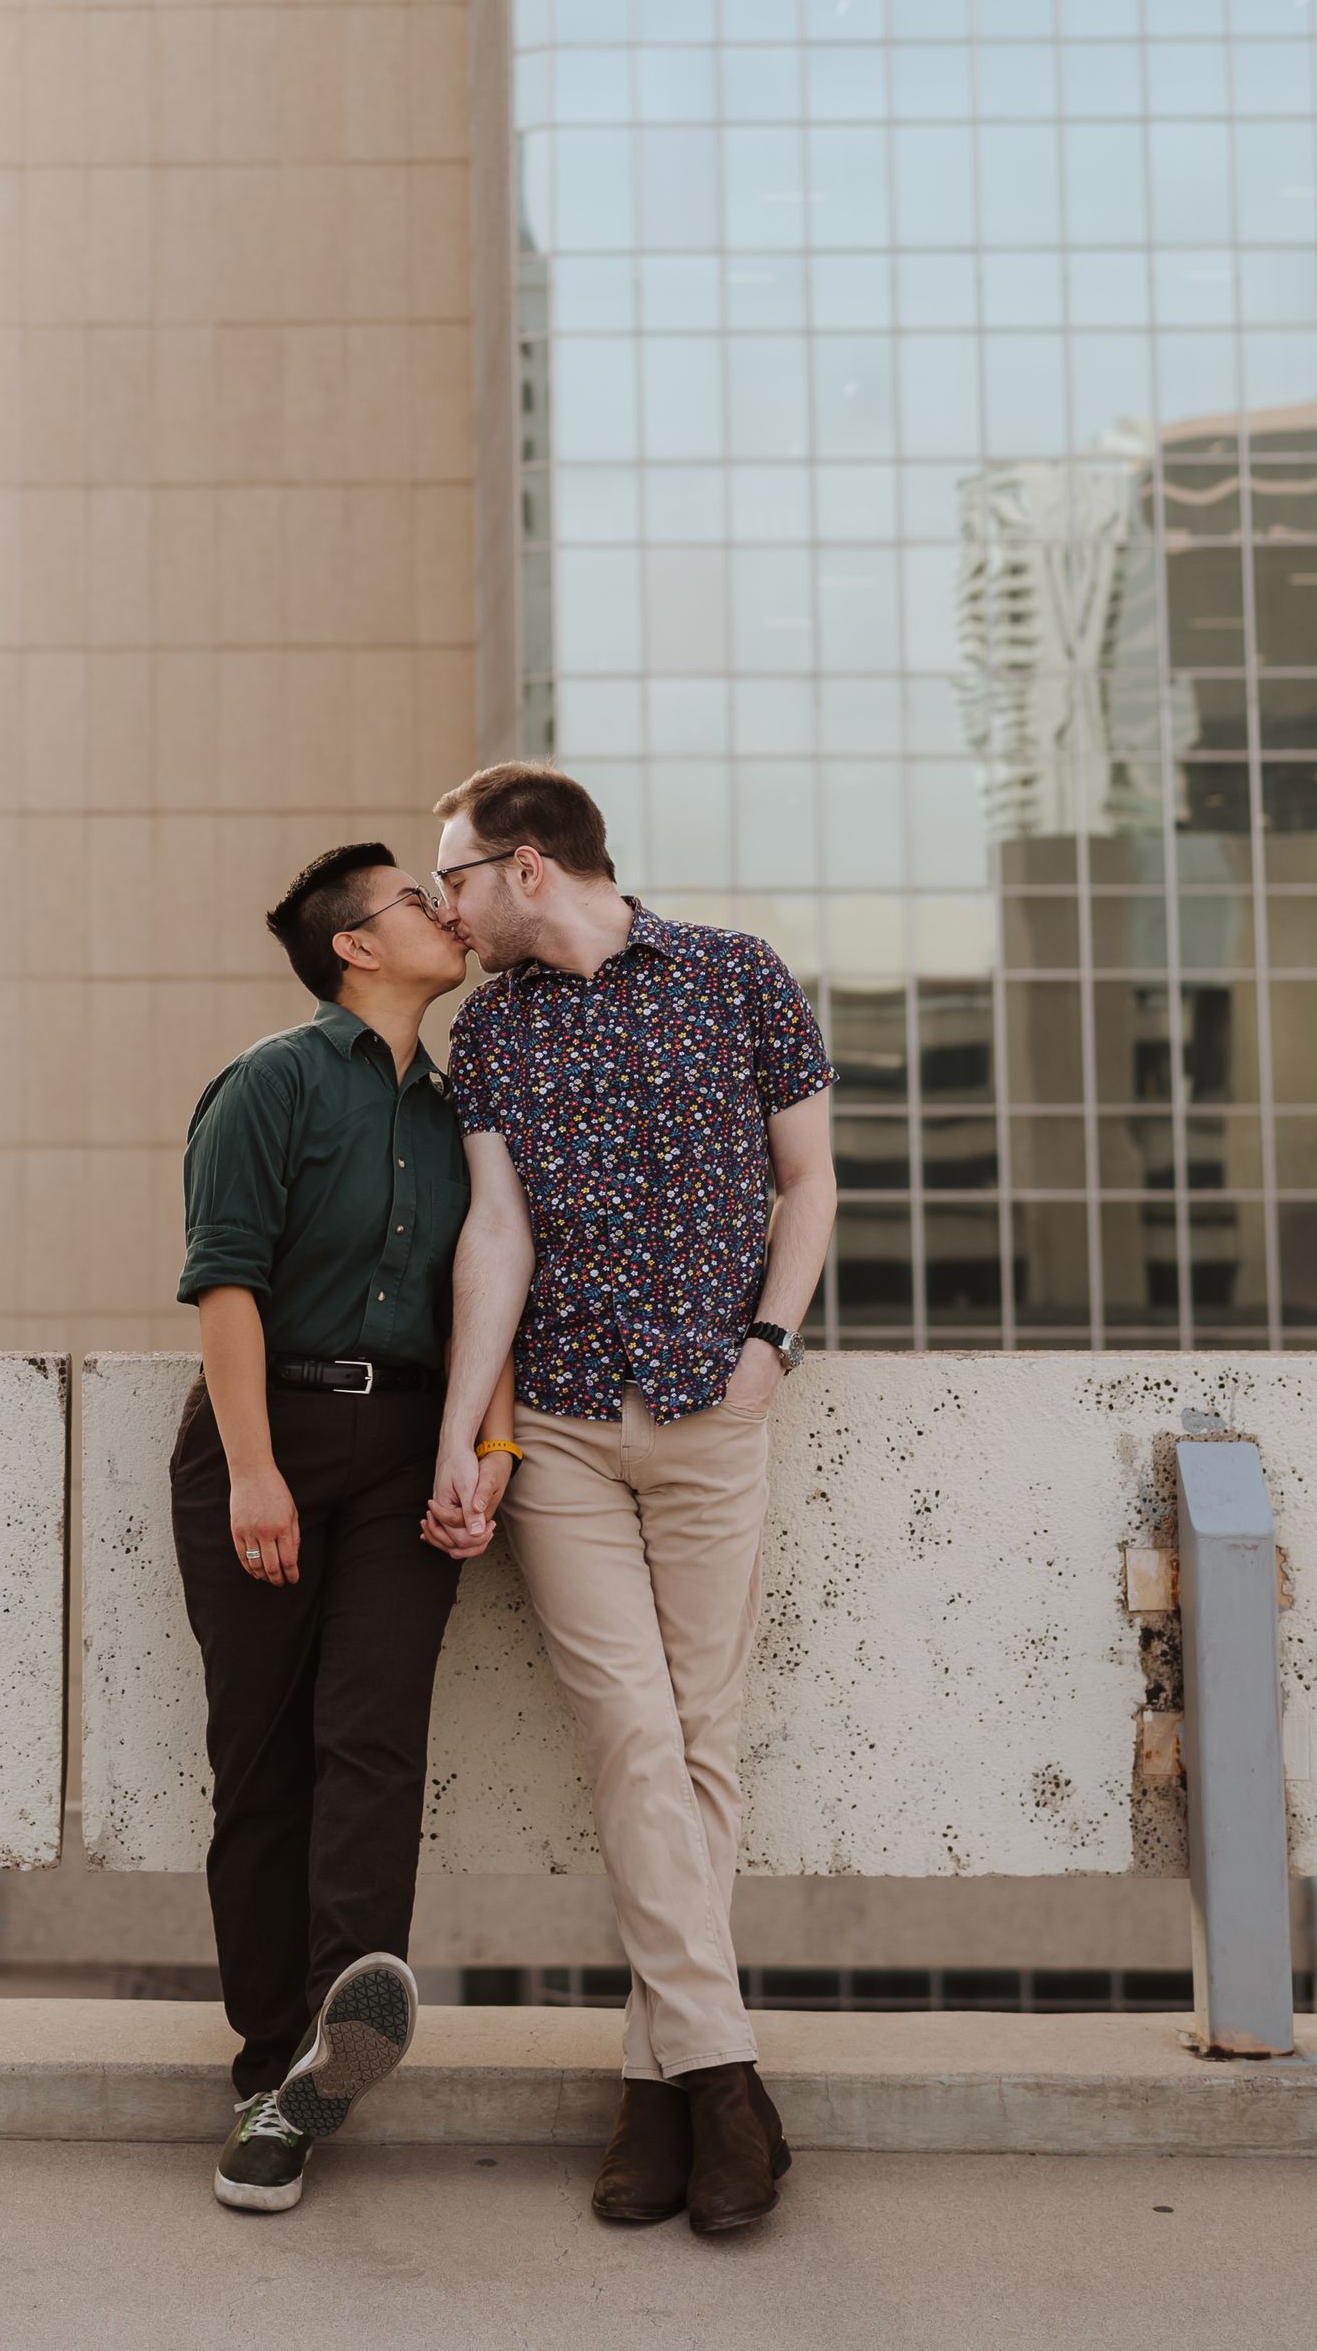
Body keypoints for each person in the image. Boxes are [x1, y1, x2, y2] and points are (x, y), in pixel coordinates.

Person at [425, 760, 838, 2241]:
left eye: (456, 876)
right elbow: (495, 1239)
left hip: (717, 1414)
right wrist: (469, 1434)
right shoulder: (489, 1032)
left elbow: (810, 1180)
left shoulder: (736, 976)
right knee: (634, 1731)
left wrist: (768, 1349)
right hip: (565, 1432)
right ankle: (726, 2076)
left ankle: (652, 2081)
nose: (445, 907)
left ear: (527, 866)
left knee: (703, 1738)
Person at [171, 842, 517, 2216]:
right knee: (260, 1765)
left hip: (404, 1459)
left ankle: (338, 2036)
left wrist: (482, 1446)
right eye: (416, 901)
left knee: (373, 1737)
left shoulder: (460, 1112)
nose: (445, 912)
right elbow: (226, 1284)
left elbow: (498, 1290)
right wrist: (254, 1467)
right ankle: (269, 2074)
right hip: (267, 1443)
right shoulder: (270, 1081)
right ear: (357, 946)